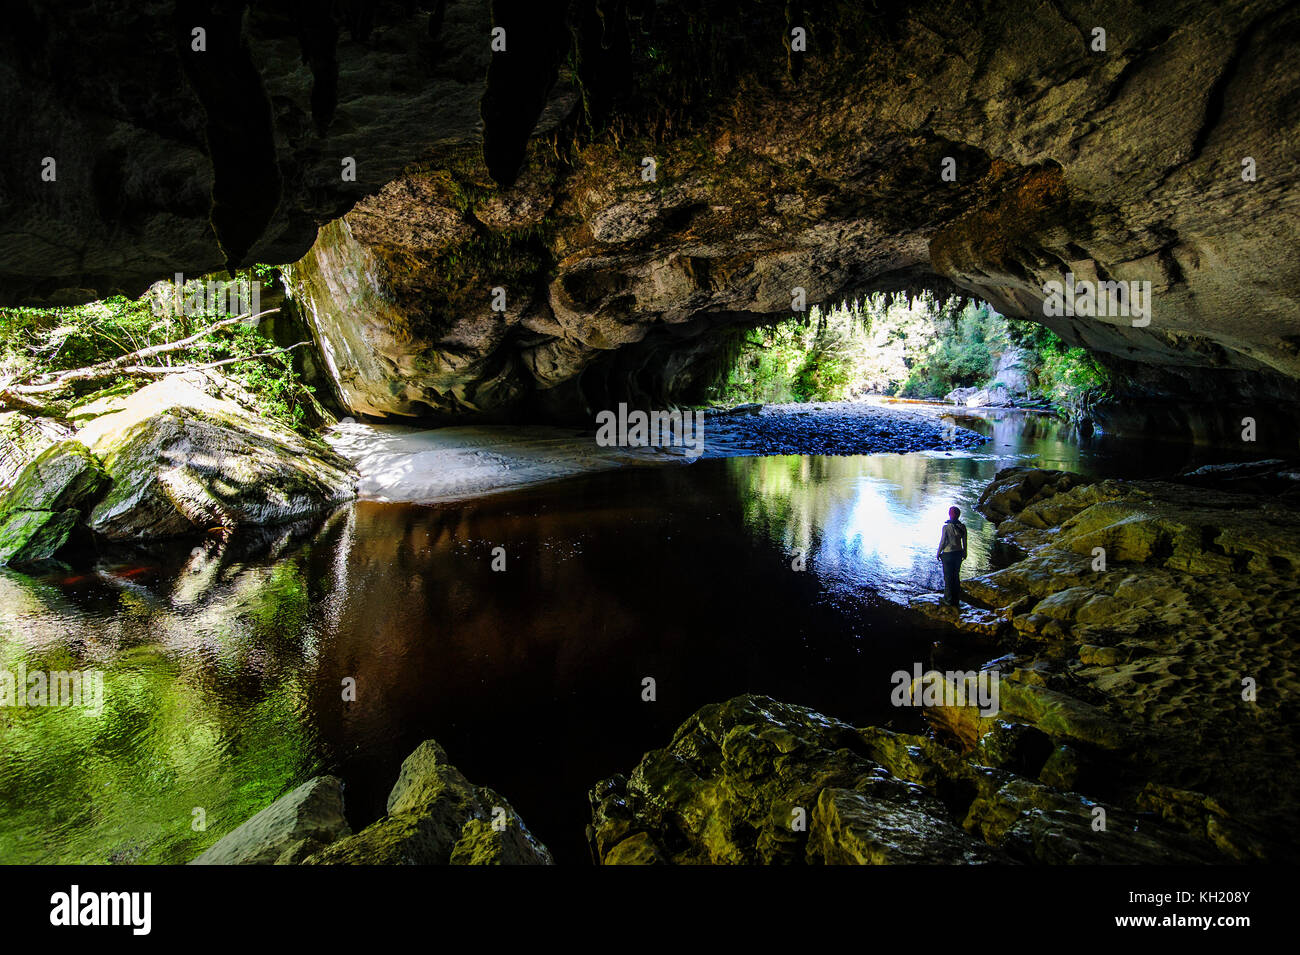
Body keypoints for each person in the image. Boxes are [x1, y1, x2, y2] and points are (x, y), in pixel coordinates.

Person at [936, 505, 968, 607]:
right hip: (958, 554)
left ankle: (948, 599)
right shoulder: (962, 527)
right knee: (956, 576)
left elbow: (943, 541)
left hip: (948, 554)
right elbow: (965, 541)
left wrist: (938, 552)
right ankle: (956, 599)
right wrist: (965, 552)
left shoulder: (946, 527)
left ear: (950, 514)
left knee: (948, 577)